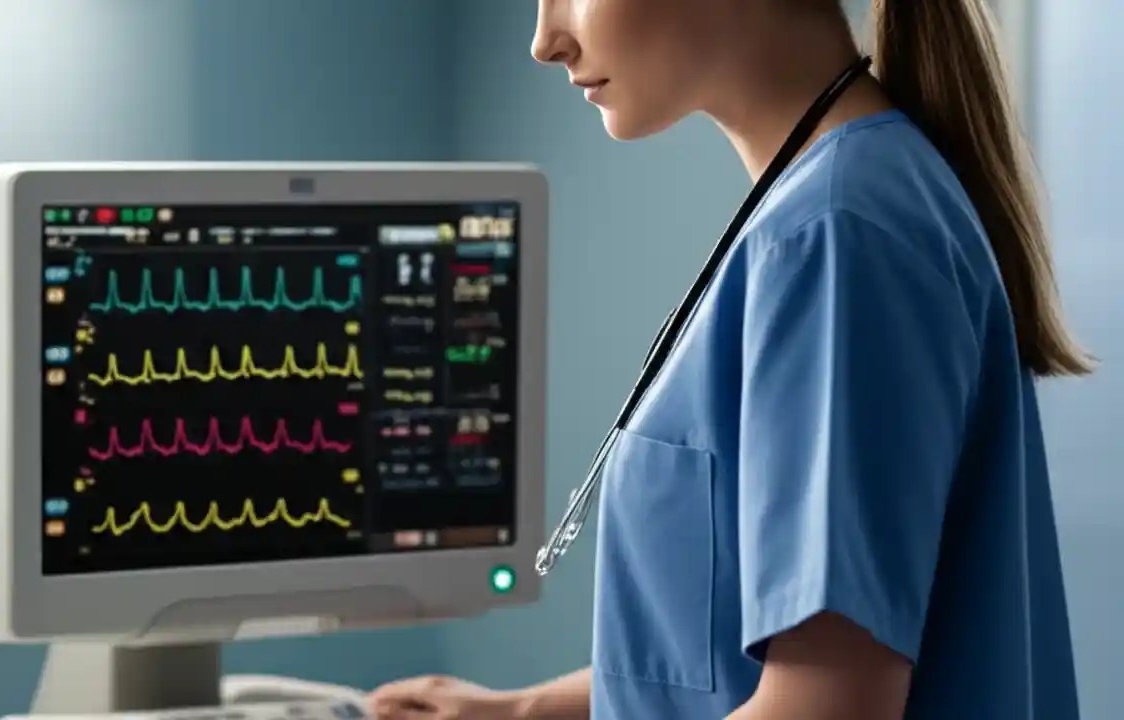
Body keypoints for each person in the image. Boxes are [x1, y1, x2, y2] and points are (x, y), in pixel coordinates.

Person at [370, 0, 1088, 718]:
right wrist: (522, 711)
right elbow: (720, 667)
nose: (544, 41)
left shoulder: (838, 237)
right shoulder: (832, 206)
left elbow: (825, 707)